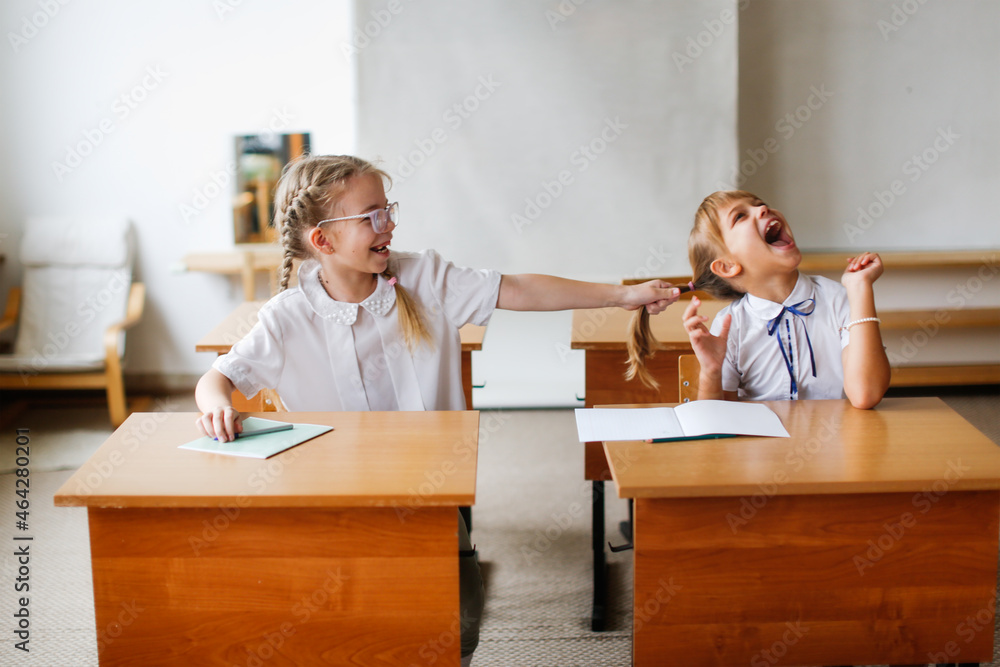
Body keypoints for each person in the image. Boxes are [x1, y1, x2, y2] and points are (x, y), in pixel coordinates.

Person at [194, 154, 682, 665]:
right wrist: (216, 408)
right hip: (335, 504)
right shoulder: (286, 318)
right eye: (370, 216)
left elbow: (517, 288)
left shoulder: (425, 277)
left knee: (452, 626)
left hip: (428, 492)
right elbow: (217, 379)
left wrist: (621, 295)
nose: (389, 224)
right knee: (349, 626)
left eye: (388, 210)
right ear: (323, 240)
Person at [626, 189, 890, 409]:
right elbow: (715, 424)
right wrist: (711, 371)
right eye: (740, 216)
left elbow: (865, 395)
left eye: (760, 204)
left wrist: (860, 288)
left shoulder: (839, 299)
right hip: (758, 462)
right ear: (728, 267)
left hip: (836, 455)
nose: (763, 209)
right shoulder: (730, 325)